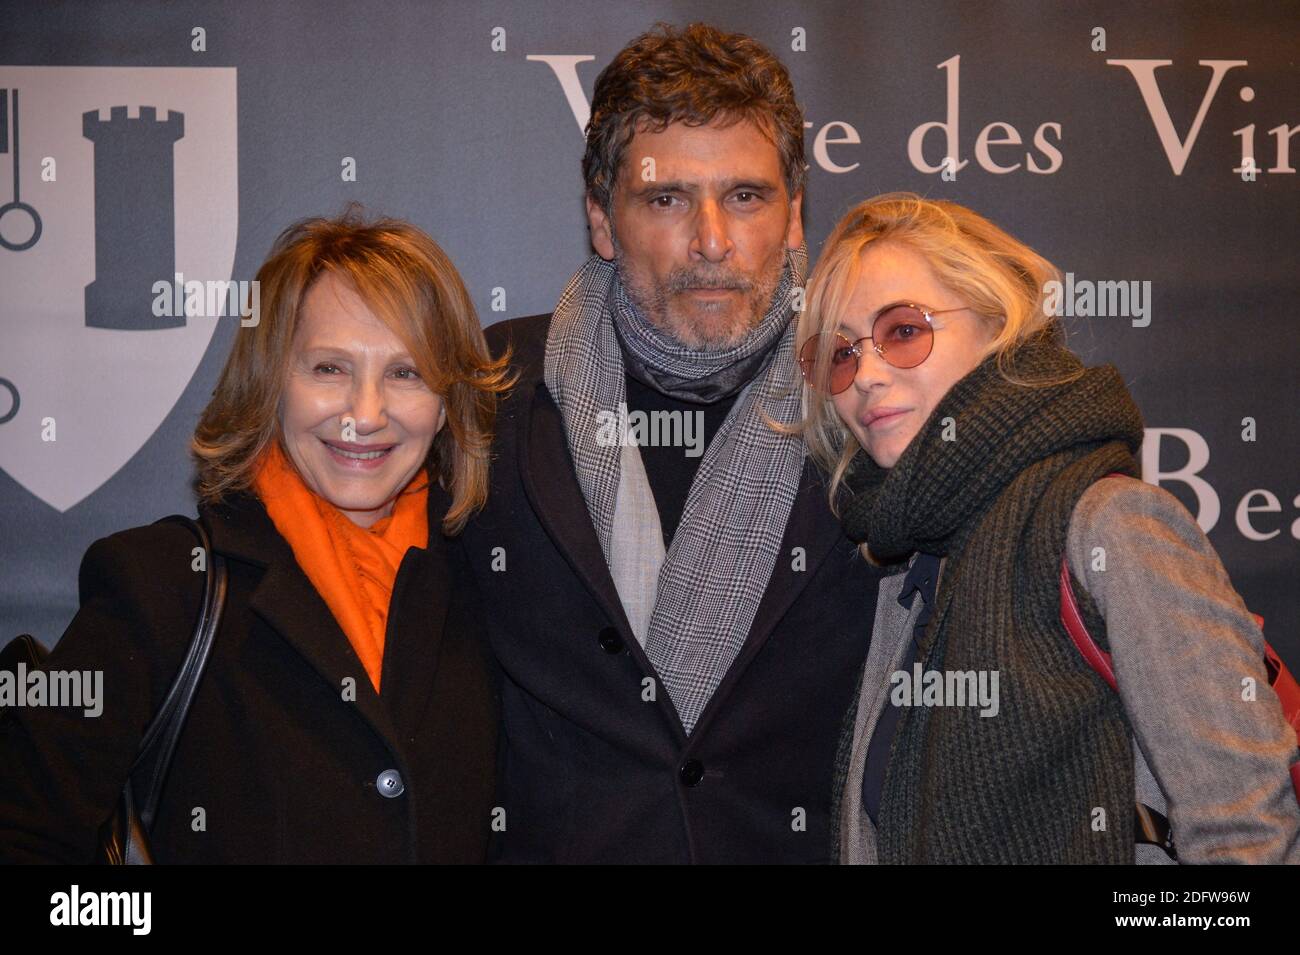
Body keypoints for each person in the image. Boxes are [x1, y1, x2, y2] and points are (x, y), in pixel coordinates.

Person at [461, 22, 885, 863]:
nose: (712, 242)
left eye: (746, 196)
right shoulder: (492, 391)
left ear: (796, 215)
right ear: (601, 220)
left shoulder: (869, 396)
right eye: (666, 199)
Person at [795, 192, 1300, 864]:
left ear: (996, 324)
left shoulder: (1112, 526)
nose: (868, 376)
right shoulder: (903, 569)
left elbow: (1251, 841)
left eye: (904, 331)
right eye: (841, 354)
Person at [0, 208, 514, 863]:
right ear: (272, 383)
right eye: (329, 368)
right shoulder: (165, 585)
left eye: (405, 372)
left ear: (445, 402)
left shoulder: (489, 588)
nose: (365, 413)